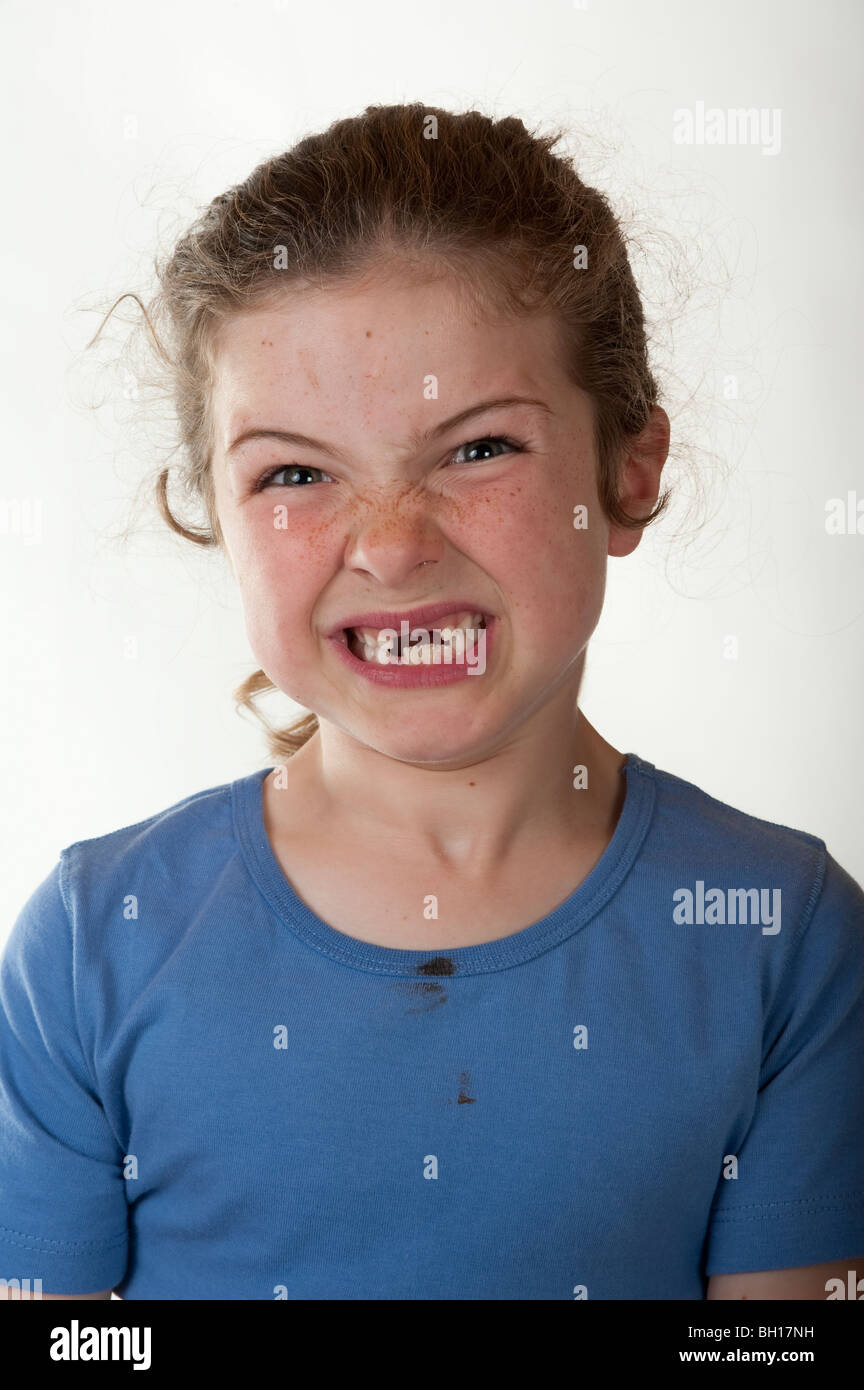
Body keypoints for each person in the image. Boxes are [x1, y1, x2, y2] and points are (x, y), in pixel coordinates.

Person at [2, 103, 863, 1301]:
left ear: (629, 470)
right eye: (295, 473)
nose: (393, 547)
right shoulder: (96, 942)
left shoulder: (785, 933)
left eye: (476, 451)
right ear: (211, 513)